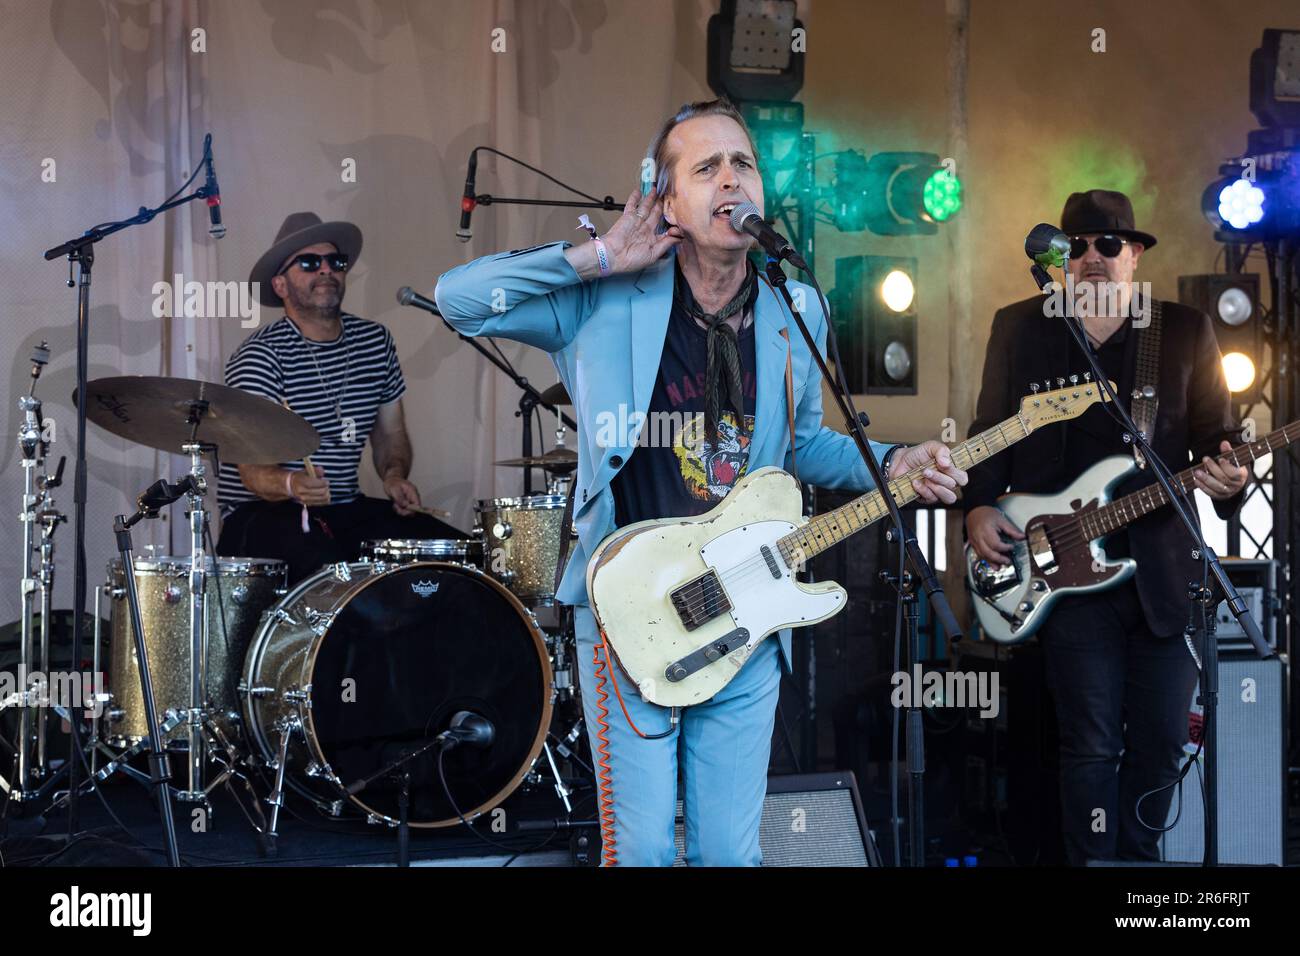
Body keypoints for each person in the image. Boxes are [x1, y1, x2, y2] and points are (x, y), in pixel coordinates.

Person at [435, 98, 967, 865]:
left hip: (747, 607)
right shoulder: (603, 298)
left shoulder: (797, 307)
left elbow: (807, 446)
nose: (731, 180)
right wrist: (597, 257)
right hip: (631, 609)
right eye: (706, 167)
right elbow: (460, 299)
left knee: (729, 854)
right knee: (644, 853)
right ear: (665, 198)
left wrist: (890, 462)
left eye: (743, 164)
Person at [963, 189, 1247, 864]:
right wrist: (975, 506)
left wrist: (1231, 482)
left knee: (1161, 745)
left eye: (1108, 245)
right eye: (1076, 247)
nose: (1091, 258)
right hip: (1065, 581)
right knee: (1089, 745)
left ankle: (1140, 874)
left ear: (1135, 255)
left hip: (1161, 577)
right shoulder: (1021, 326)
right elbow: (988, 435)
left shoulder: (1182, 331)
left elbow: (1219, 442)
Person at [216, 212, 462, 583]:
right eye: (310, 262)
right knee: (335, 577)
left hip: (344, 508)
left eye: (336, 261)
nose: (326, 270)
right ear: (280, 285)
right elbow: (251, 471)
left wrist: (394, 475)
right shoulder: (261, 355)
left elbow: (390, 434)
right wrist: (291, 484)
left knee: (456, 558)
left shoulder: (374, 342)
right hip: (263, 514)